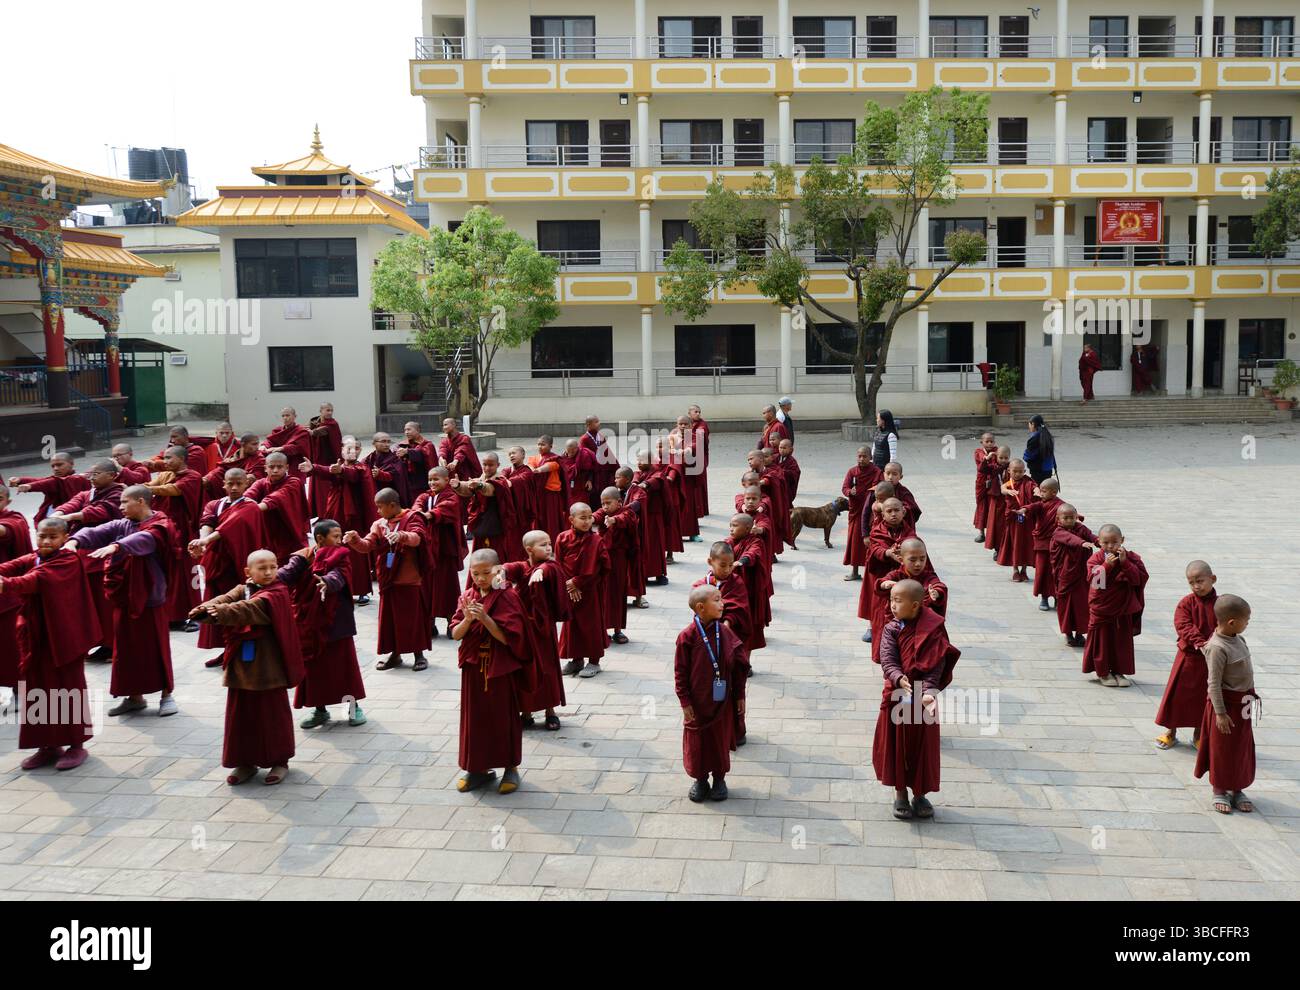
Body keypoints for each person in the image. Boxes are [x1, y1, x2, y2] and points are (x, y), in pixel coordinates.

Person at [191, 549, 304, 786]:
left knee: (272, 716)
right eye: (262, 568)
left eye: (273, 567)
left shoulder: (277, 593)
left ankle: (279, 761)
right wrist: (206, 607)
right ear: (248, 572)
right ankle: (245, 762)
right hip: (242, 667)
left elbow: (248, 610)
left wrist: (216, 613)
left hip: (269, 666)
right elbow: (227, 598)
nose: (269, 572)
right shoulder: (245, 587)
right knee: (241, 716)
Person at [68, 485, 180, 717]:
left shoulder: (161, 523)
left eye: (123, 502)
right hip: (124, 597)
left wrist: (118, 546)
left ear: (141, 501)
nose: (120, 507)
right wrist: (75, 541)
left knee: (157, 648)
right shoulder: (123, 524)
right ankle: (134, 698)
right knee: (126, 650)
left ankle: (166, 695)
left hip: (150, 598)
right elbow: (99, 530)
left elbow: (147, 539)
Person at [0, 517, 99, 771]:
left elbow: (32, 581)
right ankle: (48, 745)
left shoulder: (67, 560)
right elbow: (13, 565)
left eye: (52, 537)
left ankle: (77, 744)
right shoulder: (36, 556)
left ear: (64, 539)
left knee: (67, 689)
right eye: (42, 536)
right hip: (38, 636)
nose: (45, 541)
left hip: (64, 638)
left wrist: (4, 584)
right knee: (37, 687)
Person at [872, 579, 960, 821]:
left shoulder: (933, 628)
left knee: (922, 746)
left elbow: (938, 660)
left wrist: (930, 688)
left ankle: (920, 794)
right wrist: (898, 678)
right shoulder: (892, 629)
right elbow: (887, 658)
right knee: (898, 745)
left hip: (923, 695)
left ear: (915, 606)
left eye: (897, 602)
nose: (891, 606)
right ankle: (900, 794)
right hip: (898, 694)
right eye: (891, 600)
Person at [451, 548, 534, 794]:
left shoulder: (508, 596)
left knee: (503, 718)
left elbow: (511, 639)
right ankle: (476, 769)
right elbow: (456, 634)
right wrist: (467, 619)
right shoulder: (467, 596)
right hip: (474, 670)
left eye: (486, 573)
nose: (480, 578)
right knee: (474, 720)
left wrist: (485, 619)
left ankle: (510, 768)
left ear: (499, 570)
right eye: (475, 573)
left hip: (500, 669)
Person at [283, 522, 367, 730]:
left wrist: (326, 583)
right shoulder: (303, 556)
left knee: (343, 667)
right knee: (314, 668)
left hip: (336, 620)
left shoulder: (341, 555)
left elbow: (339, 576)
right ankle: (320, 710)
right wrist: (264, 579)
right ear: (320, 539)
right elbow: (287, 573)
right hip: (309, 621)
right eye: (335, 536)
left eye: (340, 536)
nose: (340, 541)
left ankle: (353, 707)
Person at [675, 585, 748, 803]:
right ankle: (700, 779)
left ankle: (719, 779)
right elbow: (680, 672)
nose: (723, 603)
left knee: (718, 739)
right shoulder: (686, 636)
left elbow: (739, 665)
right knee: (697, 742)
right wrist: (684, 700)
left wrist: (740, 695)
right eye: (717, 600)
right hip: (696, 703)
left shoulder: (724, 632)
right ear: (701, 608)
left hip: (721, 701)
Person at [344, 488, 431, 671]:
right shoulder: (379, 524)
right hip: (388, 578)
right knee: (390, 620)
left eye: (380, 507)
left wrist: (402, 536)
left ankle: (419, 655)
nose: (377, 511)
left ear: (392, 505)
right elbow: (367, 545)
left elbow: (417, 538)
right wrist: (355, 539)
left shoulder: (412, 518)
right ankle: (396, 654)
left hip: (409, 577)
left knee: (412, 618)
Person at [191, 468, 266, 668]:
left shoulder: (251, 507)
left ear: (246, 485)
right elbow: (207, 522)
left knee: (238, 607)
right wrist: (202, 541)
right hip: (218, 564)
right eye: (229, 483)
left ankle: (241, 651)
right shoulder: (215, 504)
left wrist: (206, 540)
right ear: (223, 484)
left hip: (239, 565)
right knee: (218, 608)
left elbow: (229, 526)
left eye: (238, 483)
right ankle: (227, 648)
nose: (233, 487)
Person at [50, 459, 124, 662]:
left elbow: (98, 512)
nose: (92, 478)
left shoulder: (118, 493)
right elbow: (73, 502)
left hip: (102, 553)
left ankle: (110, 644)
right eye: (90, 474)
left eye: (97, 474)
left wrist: (69, 518)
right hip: (81, 553)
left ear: (111, 475)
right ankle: (92, 641)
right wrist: (58, 514)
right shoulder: (87, 493)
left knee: (103, 603)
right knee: (87, 603)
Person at [1193, 595, 1257, 815]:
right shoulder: (1217, 647)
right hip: (1226, 708)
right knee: (1223, 749)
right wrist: (1220, 713)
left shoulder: (1238, 639)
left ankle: (1237, 788)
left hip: (1243, 705)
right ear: (1232, 622)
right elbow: (1213, 684)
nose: (1247, 623)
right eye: (1246, 620)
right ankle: (1220, 789)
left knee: (1241, 747)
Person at [498, 530, 567, 732]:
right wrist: (501, 572)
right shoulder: (523, 567)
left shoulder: (551, 566)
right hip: (524, 630)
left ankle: (550, 711)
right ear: (529, 550)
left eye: (549, 543)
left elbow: (553, 570)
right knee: (525, 668)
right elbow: (511, 569)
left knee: (547, 669)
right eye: (542, 545)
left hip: (543, 629)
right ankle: (526, 712)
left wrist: (543, 570)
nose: (548, 548)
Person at [298, 436, 376, 604]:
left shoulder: (362, 468)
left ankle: (361, 590)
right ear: (341, 451)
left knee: (356, 552)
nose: (350, 451)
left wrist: (340, 471)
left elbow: (353, 475)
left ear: (359, 451)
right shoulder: (337, 466)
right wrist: (314, 468)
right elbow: (328, 472)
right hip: (335, 515)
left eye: (354, 448)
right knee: (333, 551)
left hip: (354, 518)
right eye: (347, 449)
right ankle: (336, 586)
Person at [692, 542, 754, 744]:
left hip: (729, 643)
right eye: (722, 565)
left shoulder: (736, 582)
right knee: (710, 689)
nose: (727, 570)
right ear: (710, 562)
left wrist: (727, 622)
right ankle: (714, 729)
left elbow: (740, 607)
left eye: (730, 565)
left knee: (734, 687)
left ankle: (736, 730)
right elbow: (696, 607)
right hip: (708, 645)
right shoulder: (701, 585)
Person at [1155, 561, 1217, 751]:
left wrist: (1214, 643)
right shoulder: (1186, 603)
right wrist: (1200, 642)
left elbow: (1224, 626)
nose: (1196, 586)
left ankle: (1198, 735)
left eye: (1200, 581)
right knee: (1176, 697)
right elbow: (1183, 625)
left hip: (1210, 659)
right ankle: (1170, 733)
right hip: (1188, 657)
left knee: (1204, 698)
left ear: (1212, 579)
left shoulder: (1221, 604)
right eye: (1192, 582)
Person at [146, 446, 205, 631]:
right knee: (171, 575)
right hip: (167, 532)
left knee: (187, 576)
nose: (165, 461)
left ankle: (197, 615)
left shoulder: (192, 476)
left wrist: (145, 489)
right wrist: (139, 488)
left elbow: (173, 490)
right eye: (164, 457)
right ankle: (176, 616)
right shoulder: (165, 474)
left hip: (185, 533)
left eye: (169, 458)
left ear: (181, 459)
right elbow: (153, 485)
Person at [1083, 524, 1149, 687]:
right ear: (1098, 542)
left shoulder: (1132, 558)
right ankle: (1103, 673)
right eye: (1106, 543)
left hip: (1123, 608)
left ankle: (1119, 671)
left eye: (1114, 542)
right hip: (1103, 608)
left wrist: (1125, 564)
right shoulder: (1095, 559)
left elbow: (1138, 580)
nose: (1110, 546)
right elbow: (1096, 584)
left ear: (1122, 540)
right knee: (1103, 641)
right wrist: (1107, 566)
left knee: (1121, 642)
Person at [557, 502, 610, 678]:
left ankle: (594, 662)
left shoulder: (596, 540)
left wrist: (579, 582)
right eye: (582, 518)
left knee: (592, 625)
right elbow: (557, 565)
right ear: (571, 519)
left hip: (591, 590)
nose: (587, 521)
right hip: (569, 589)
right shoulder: (562, 538)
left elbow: (602, 566)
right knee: (572, 625)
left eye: (589, 518)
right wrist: (569, 585)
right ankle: (576, 660)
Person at [413, 466, 466, 638]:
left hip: (444, 551)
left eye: (436, 479)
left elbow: (446, 509)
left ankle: (453, 623)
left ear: (446, 480)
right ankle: (430, 625)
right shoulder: (425, 496)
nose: (432, 482)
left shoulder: (451, 496)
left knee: (447, 588)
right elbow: (416, 508)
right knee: (427, 588)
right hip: (427, 551)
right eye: (430, 479)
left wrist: (429, 515)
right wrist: (418, 513)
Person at [861, 497, 917, 654]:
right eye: (889, 511)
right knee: (882, 622)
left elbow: (917, 551)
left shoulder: (909, 532)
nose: (893, 514)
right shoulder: (877, 531)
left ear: (903, 512)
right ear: (882, 515)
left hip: (903, 583)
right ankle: (886, 662)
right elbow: (874, 549)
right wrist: (887, 553)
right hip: (883, 584)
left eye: (897, 510)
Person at [451, 452, 521, 564]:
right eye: (484, 464)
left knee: (496, 556)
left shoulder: (500, 480)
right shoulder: (481, 478)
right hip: (480, 525)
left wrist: (480, 486)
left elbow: (490, 489)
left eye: (490, 465)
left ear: (498, 465)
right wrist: (458, 485)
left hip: (495, 525)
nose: (487, 468)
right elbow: (469, 486)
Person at [0, 484, 34, 696]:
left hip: (6, 597)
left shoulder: (15, 519)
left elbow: (5, 530)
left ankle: (19, 689)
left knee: (10, 647)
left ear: (7, 501)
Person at [247, 452, 309, 565]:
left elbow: (276, 498)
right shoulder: (261, 483)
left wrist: (249, 509)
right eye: (271, 467)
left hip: (290, 535)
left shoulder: (294, 482)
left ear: (287, 467)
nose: (275, 470)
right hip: (269, 537)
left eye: (279, 467)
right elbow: (248, 495)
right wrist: (241, 504)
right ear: (265, 468)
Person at [593, 486, 637, 645]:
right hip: (602, 559)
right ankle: (603, 630)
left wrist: (614, 520)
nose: (605, 507)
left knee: (618, 594)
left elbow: (626, 519)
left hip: (619, 560)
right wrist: (589, 519)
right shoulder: (603, 512)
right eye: (603, 503)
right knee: (603, 594)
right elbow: (597, 515)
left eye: (608, 503)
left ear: (619, 502)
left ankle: (618, 630)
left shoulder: (627, 512)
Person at [1048, 503, 1095, 647]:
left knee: (1082, 604)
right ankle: (1068, 634)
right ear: (1058, 519)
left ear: (1076, 517)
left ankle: (1080, 634)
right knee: (1066, 605)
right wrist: (1081, 543)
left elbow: (1091, 536)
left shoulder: (1081, 528)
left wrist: (1101, 541)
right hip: (1066, 576)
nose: (1069, 520)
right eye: (1066, 518)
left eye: (1072, 517)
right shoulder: (1058, 532)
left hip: (1081, 575)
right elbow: (1068, 538)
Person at [726, 513, 771, 655]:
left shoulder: (756, 541)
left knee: (748, 629)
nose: (731, 529)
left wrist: (741, 561)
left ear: (747, 529)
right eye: (730, 526)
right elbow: (721, 549)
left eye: (735, 526)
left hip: (749, 593)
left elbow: (753, 553)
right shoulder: (729, 541)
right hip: (731, 592)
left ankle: (746, 662)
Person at [1017, 477, 1065, 611]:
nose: (1041, 494)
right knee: (1042, 572)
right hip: (1042, 545)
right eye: (1041, 491)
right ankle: (1044, 598)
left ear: (1054, 492)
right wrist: (1024, 510)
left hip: (1057, 546)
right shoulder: (1040, 504)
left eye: (1044, 492)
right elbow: (1032, 507)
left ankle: (1057, 598)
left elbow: (1068, 515)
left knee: (1057, 572)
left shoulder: (1060, 506)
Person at [8, 451, 90, 525]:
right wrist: (20, 480)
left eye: (59, 465)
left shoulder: (79, 479)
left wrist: (30, 486)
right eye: (53, 466)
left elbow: (51, 482)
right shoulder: (56, 480)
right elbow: (44, 481)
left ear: (71, 463)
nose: (56, 469)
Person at [875, 537, 947, 618]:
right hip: (898, 621)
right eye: (913, 560)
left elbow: (939, 586)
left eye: (922, 559)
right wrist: (884, 584)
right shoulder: (896, 575)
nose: (918, 564)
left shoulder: (928, 576)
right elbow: (881, 583)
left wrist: (936, 592)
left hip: (921, 621)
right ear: (901, 560)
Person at [842, 447, 882, 581]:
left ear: (870, 457)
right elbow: (844, 487)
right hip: (855, 510)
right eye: (859, 456)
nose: (861, 459)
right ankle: (854, 571)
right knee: (854, 541)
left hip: (870, 511)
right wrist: (849, 492)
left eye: (864, 456)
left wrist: (870, 493)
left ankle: (871, 572)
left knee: (871, 541)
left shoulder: (876, 471)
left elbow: (878, 487)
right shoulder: (852, 471)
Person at [630, 451, 668, 586]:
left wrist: (644, 485)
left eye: (642, 460)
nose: (639, 463)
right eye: (637, 460)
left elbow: (655, 481)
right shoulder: (638, 474)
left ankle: (659, 573)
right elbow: (634, 479)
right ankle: (644, 574)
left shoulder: (658, 474)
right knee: (642, 545)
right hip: (641, 517)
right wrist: (635, 483)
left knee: (655, 545)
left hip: (653, 516)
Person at [997, 459, 1035, 581]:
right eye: (1015, 471)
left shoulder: (1028, 482)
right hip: (1014, 520)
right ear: (1009, 471)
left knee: (1026, 544)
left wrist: (1037, 491)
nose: (1018, 474)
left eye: (1020, 471)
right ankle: (1015, 570)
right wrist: (1008, 491)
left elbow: (1034, 488)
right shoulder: (1007, 484)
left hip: (1026, 519)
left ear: (1024, 471)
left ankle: (1024, 570)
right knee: (1015, 543)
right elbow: (1002, 489)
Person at [528, 436, 571, 544]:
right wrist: (533, 469)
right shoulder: (534, 458)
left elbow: (551, 466)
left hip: (551, 494)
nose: (540, 447)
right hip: (538, 494)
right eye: (538, 444)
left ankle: (553, 541)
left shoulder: (555, 458)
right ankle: (538, 541)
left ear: (550, 446)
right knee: (539, 518)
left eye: (543, 444)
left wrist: (539, 470)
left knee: (551, 519)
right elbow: (530, 465)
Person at [307, 403, 344, 518]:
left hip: (329, 461)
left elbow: (324, 430)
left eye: (331, 410)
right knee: (316, 489)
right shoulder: (314, 422)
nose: (330, 413)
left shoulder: (333, 424)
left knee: (325, 490)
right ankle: (316, 514)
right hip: (317, 460)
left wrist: (313, 432)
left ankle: (327, 514)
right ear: (321, 411)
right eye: (327, 410)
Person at [204, 432, 265, 498]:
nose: (257, 447)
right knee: (212, 477)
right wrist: (207, 479)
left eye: (257, 444)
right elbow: (221, 470)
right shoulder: (233, 458)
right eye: (254, 444)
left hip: (246, 491)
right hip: (229, 484)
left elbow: (256, 476)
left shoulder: (259, 458)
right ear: (243, 445)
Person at [363, 432, 411, 507]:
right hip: (373, 496)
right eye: (383, 441)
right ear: (374, 443)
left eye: (388, 442)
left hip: (390, 498)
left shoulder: (395, 459)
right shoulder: (368, 459)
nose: (387, 445)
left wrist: (380, 474)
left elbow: (395, 476)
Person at [981, 446, 1012, 555]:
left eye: (1006, 458)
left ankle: (1007, 548)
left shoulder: (1011, 467)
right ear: (996, 457)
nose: (1003, 460)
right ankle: (997, 549)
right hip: (996, 500)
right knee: (996, 525)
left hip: (1008, 500)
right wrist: (987, 458)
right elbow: (982, 469)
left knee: (1007, 525)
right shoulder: (993, 467)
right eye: (1001, 458)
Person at [502, 446, 538, 533]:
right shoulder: (507, 470)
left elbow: (512, 482)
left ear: (523, 455)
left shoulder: (527, 472)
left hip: (522, 510)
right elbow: (501, 478)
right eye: (509, 454)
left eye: (514, 453)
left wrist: (503, 481)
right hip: (510, 509)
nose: (511, 456)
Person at [580, 415, 618, 495]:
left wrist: (617, 469)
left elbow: (607, 453)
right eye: (596, 422)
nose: (599, 423)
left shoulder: (600, 436)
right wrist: (588, 477)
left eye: (598, 421)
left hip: (603, 470)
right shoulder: (584, 439)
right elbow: (584, 458)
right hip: (593, 471)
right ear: (588, 424)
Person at [971, 432, 998, 543]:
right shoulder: (978, 452)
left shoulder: (997, 451)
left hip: (993, 481)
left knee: (993, 506)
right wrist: (988, 458)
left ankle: (993, 532)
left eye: (991, 441)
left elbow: (1000, 462)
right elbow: (982, 463)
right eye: (987, 441)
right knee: (982, 506)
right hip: (982, 482)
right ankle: (981, 533)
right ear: (982, 442)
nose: (989, 443)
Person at [397, 421, 437, 495]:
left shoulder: (427, 444)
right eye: (405, 430)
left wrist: (408, 452)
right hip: (408, 482)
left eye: (409, 429)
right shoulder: (402, 445)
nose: (406, 432)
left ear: (418, 430)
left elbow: (423, 454)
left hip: (423, 481)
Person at [438, 417, 482, 482]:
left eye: (445, 425)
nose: (443, 427)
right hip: (452, 472)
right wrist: (441, 459)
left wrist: (455, 461)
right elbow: (442, 449)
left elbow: (462, 451)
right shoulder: (445, 441)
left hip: (465, 471)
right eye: (443, 425)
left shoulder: (464, 438)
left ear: (453, 425)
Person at [687, 404, 711, 518]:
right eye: (695, 411)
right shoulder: (687, 424)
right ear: (689, 414)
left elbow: (699, 439)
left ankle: (701, 510)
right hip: (688, 458)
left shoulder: (702, 425)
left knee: (699, 484)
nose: (698, 414)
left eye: (699, 412)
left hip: (699, 458)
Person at [1022, 415, 1056, 486]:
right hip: (1048, 469)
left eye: (1029, 424)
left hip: (1038, 470)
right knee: (1046, 490)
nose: (1029, 427)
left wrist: (1025, 456)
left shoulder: (1035, 438)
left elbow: (1028, 456)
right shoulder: (1047, 435)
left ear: (1033, 424)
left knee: (1038, 491)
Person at [775, 437, 801, 503]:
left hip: (786, 488)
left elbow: (796, 472)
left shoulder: (792, 461)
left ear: (791, 449)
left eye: (784, 448)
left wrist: (782, 472)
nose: (782, 450)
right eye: (780, 448)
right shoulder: (775, 458)